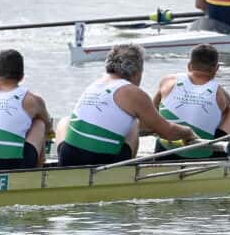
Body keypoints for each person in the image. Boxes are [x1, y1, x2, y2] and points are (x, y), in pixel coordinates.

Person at [56, 44, 197, 165]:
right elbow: (168, 132)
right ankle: (126, 170)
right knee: (134, 122)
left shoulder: (96, 83)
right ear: (136, 73)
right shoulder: (133, 92)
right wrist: (188, 132)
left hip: (68, 158)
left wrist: (150, 127)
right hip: (102, 161)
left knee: (64, 121)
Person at [153, 44, 230, 158]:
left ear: (189, 66)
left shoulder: (168, 81)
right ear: (216, 68)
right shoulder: (223, 95)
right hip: (199, 156)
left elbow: (153, 110)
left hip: (164, 153)